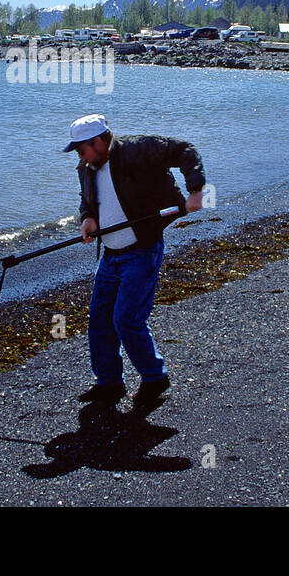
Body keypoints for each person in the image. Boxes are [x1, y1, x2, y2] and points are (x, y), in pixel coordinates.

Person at [65, 114, 205, 407]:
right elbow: (88, 200)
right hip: (110, 255)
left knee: (126, 319)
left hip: (142, 250)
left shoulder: (138, 149)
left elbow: (184, 150)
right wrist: (88, 218)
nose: (80, 156)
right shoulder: (87, 167)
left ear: (100, 141)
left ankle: (155, 377)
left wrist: (194, 191)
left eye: (82, 149)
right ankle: (109, 383)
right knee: (101, 322)